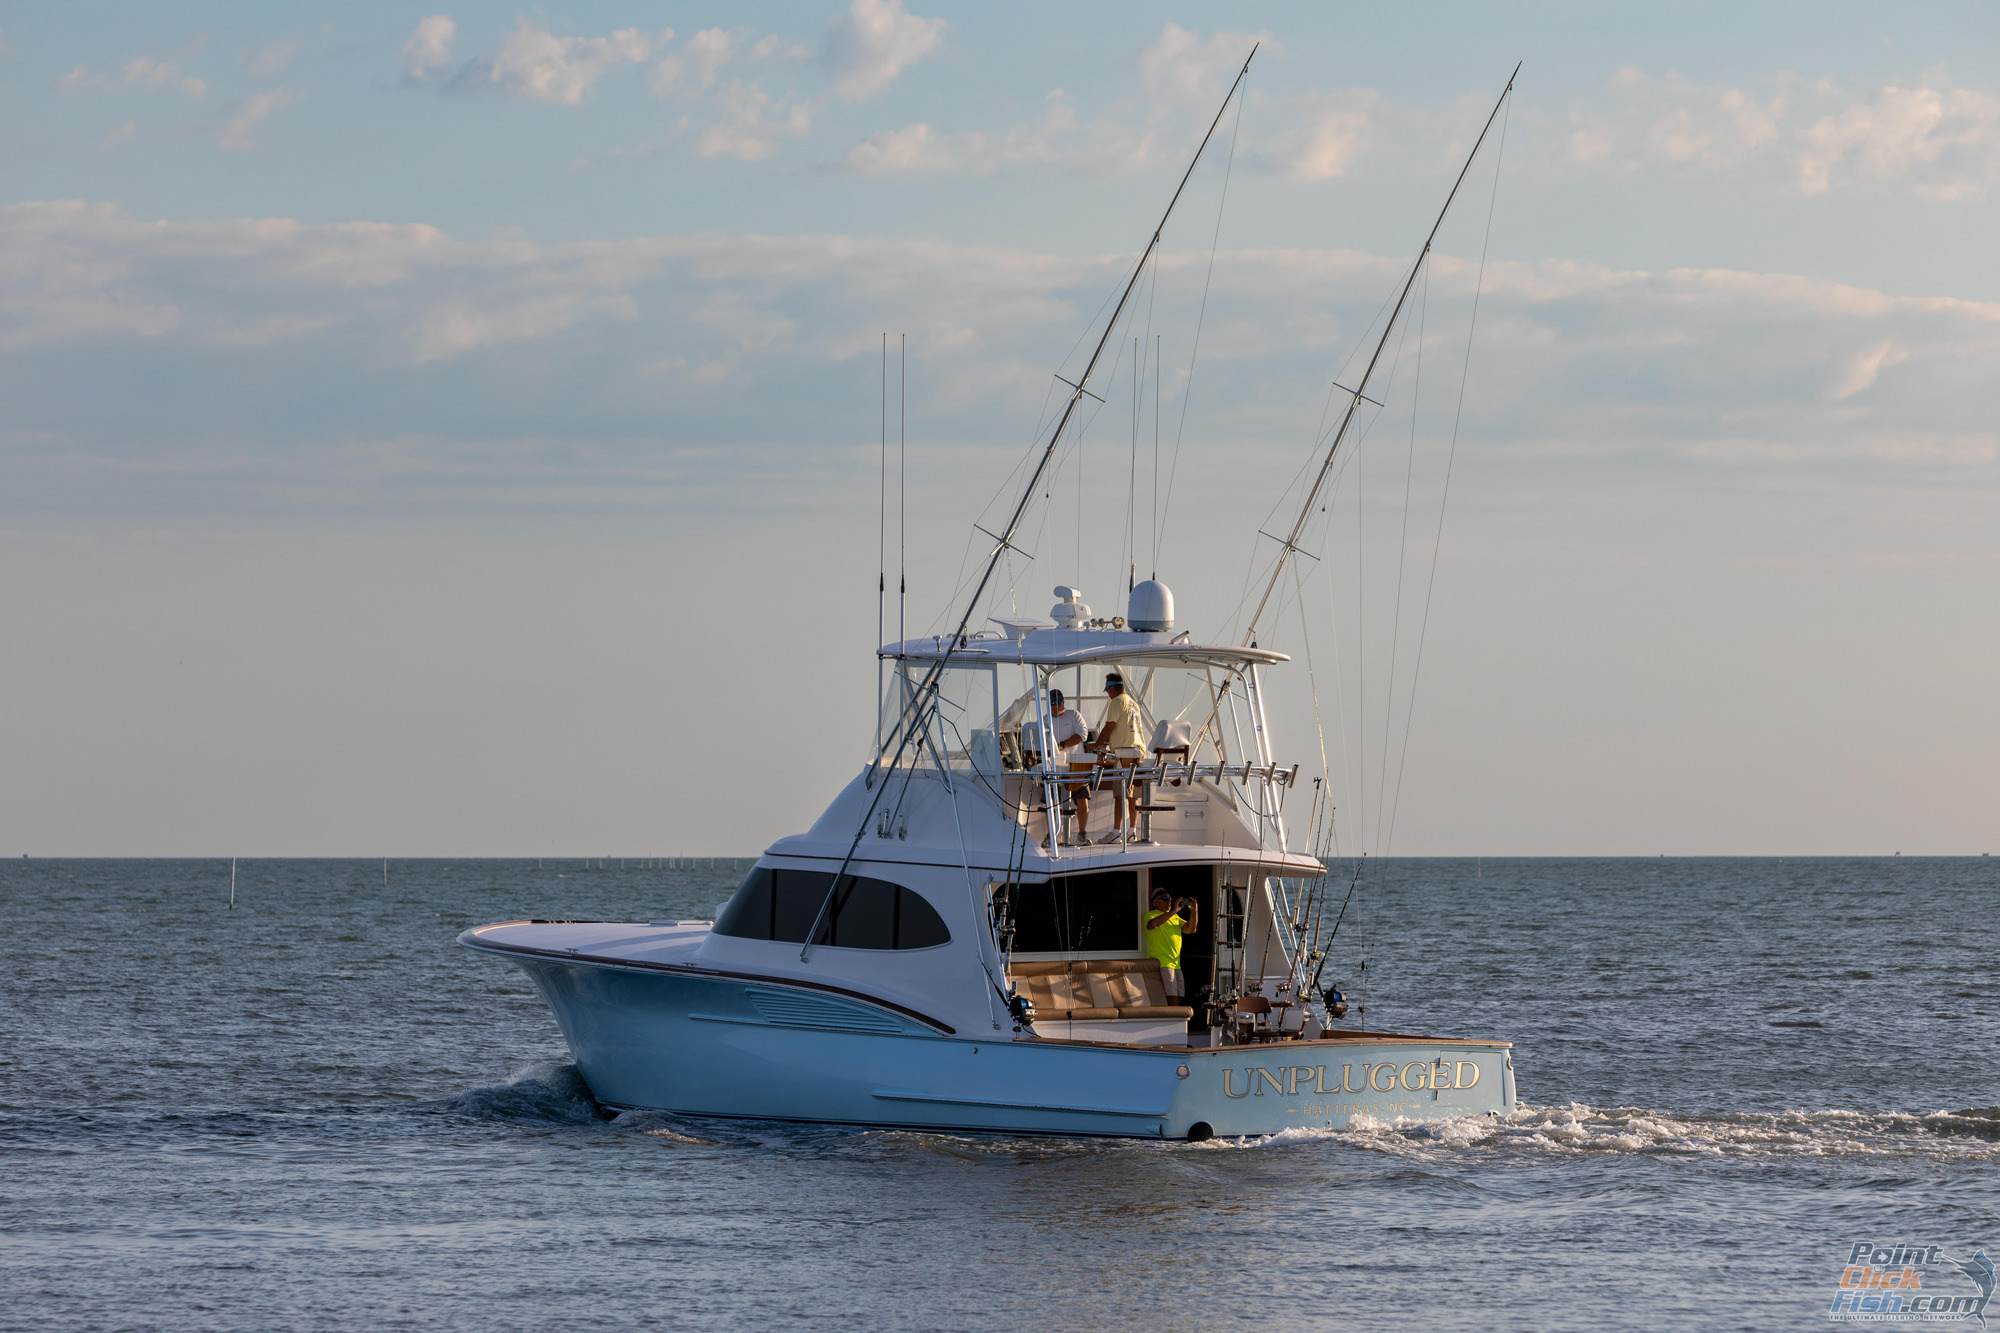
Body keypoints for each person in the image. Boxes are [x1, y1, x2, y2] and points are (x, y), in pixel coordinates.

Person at [1088, 671, 1145, 843]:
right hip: (1138, 752)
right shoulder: (1133, 703)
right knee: (1133, 796)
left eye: (1107, 691)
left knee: (1120, 794)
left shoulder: (1116, 702)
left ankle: (1116, 833)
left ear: (1111, 689)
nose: (1108, 694)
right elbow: (1124, 729)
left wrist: (1097, 744)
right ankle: (1132, 832)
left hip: (1124, 754)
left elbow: (1109, 726)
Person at [1035, 688, 1090, 847]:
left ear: (1063, 703)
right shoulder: (1044, 720)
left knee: (1082, 800)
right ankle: (1051, 835)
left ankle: (1082, 833)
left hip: (1075, 766)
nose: (1056, 706)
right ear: (1048, 704)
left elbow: (1082, 735)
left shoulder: (1074, 715)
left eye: (1059, 703)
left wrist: (1062, 745)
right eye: (1052, 703)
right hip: (1054, 767)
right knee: (1049, 802)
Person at [1145, 888, 1198, 1004]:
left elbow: (1191, 929)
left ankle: (1176, 1019)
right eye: (1164, 899)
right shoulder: (1151, 915)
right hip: (1163, 963)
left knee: (1178, 996)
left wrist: (1194, 911)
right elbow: (1152, 925)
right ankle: (1172, 1020)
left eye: (1169, 899)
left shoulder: (1174, 917)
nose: (1168, 902)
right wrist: (1173, 911)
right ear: (1154, 902)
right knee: (1172, 997)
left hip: (1176, 963)